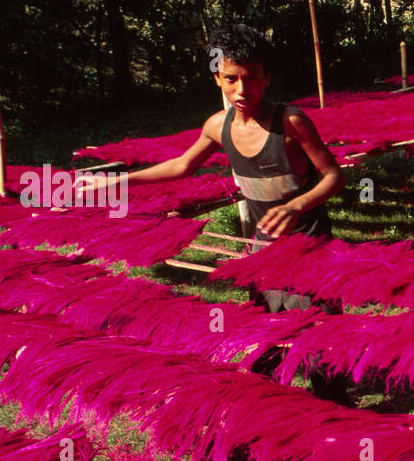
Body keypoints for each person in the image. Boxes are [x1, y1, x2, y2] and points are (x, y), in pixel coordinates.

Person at [77, 23, 352, 402]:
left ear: (267, 78)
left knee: (319, 335)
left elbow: (334, 176)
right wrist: (114, 183)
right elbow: (181, 166)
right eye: (232, 78)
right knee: (266, 328)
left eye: (252, 78)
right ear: (217, 78)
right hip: (264, 248)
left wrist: (296, 204)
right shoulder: (217, 126)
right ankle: (270, 405)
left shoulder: (290, 122)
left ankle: (336, 408)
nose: (243, 90)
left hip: (310, 246)